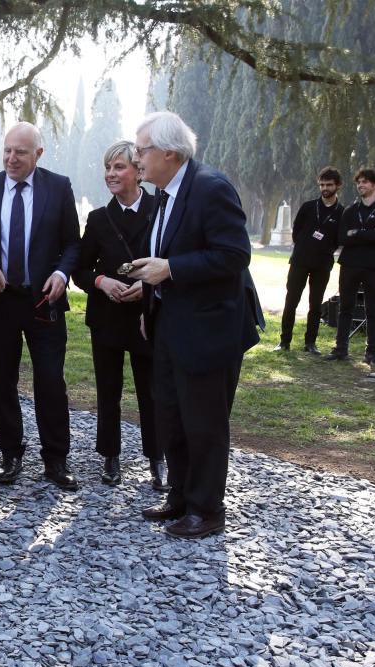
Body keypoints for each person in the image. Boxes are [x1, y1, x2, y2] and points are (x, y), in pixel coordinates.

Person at [126, 111, 258, 539]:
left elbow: (234, 255)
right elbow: (160, 258)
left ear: (169, 152)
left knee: (204, 421)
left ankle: (207, 509)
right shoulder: (164, 193)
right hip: (169, 325)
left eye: (141, 150)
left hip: (207, 329)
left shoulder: (210, 188)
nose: (136, 158)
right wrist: (150, 309)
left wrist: (172, 269)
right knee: (171, 416)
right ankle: (180, 496)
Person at [0, 122, 81, 490]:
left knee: (50, 381)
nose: (11, 158)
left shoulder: (59, 187)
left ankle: (56, 460)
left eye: (20, 152)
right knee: (2, 381)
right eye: (6, 150)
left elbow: (73, 244)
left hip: (43, 300)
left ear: (38, 154)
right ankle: (10, 454)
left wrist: (62, 274)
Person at [71, 140, 165, 489]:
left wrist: (150, 287)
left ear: (139, 171)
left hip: (147, 315)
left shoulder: (160, 210)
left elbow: (171, 260)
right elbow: (79, 269)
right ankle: (110, 456)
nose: (111, 174)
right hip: (107, 316)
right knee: (107, 389)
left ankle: (158, 458)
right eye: (108, 168)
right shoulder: (98, 219)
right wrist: (100, 281)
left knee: (152, 390)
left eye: (119, 167)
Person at [324, 168, 375, 366]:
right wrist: (367, 233)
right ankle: (340, 349)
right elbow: (342, 238)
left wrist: (357, 233)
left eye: (365, 182)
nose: (360, 186)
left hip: (374, 266)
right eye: (359, 182)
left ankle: (372, 352)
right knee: (345, 307)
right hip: (350, 264)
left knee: (373, 309)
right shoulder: (351, 210)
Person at [275, 167, 343, 354]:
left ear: (338, 186)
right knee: (291, 301)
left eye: (329, 184)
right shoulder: (308, 207)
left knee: (315, 303)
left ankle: (310, 343)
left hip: (323, 263)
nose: (324, 188)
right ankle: (284, 341)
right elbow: (296, 231)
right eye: (321, 184)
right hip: (300, 260)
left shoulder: (341, 212)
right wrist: (305, 245)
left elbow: (339, 239)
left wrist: (324, 249)